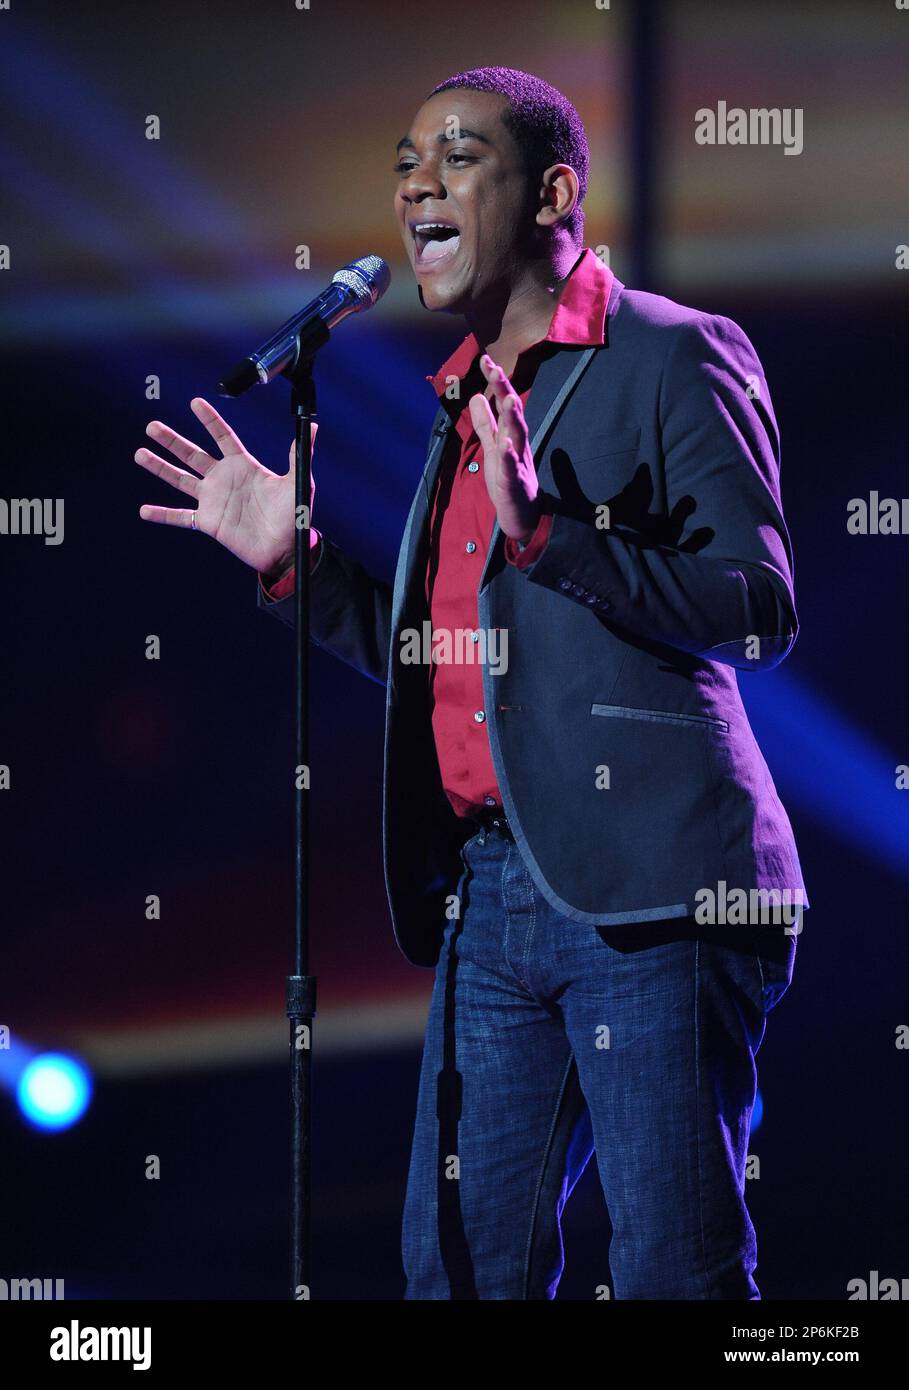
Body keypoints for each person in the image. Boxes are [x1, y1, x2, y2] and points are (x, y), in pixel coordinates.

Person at [135, 66, 807, 1300]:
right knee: (453, 1269)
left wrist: (561, 539)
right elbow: (439, 661)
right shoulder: (456, 404)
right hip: (487, 897)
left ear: (555, 191)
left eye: (455, 157)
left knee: (673, 1271)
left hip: (657, 887)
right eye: (403, 162)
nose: (416, 187)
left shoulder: (671, 353)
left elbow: (761, 608)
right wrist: (299, 568)